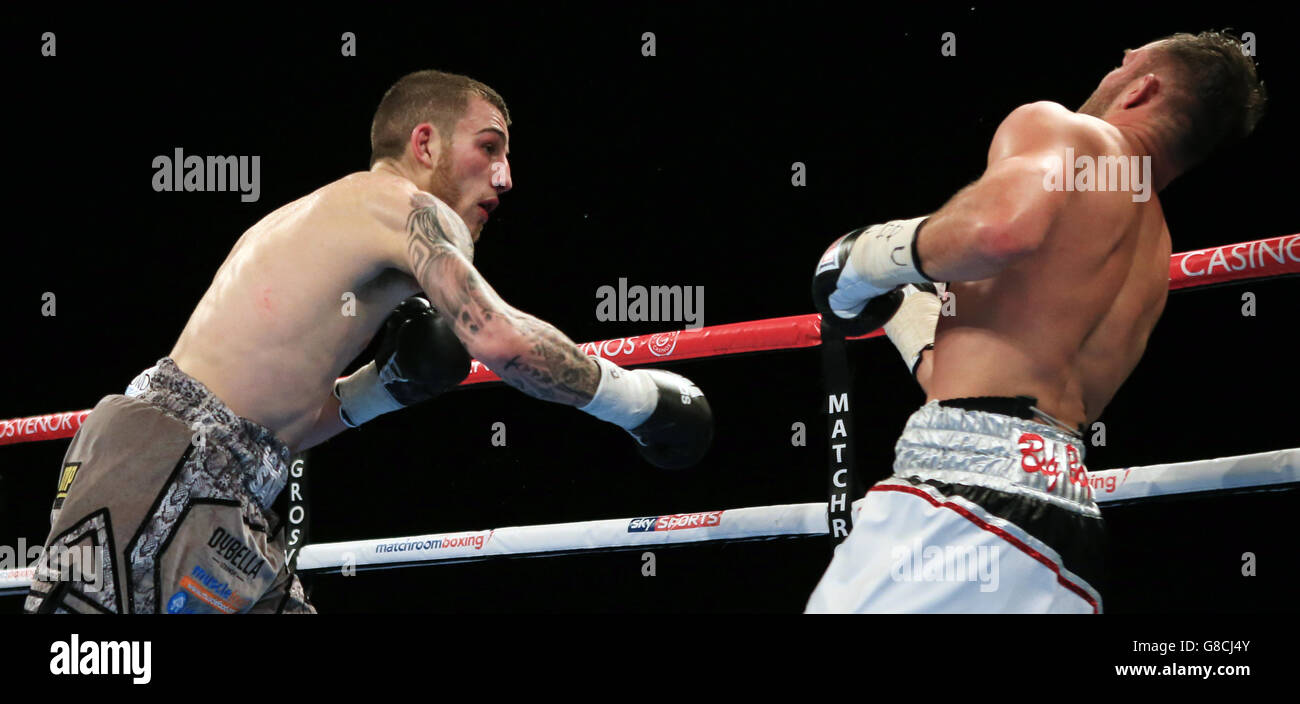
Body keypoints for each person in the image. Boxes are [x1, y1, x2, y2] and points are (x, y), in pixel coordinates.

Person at [26, 70, 712, 614]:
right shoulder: (404, 208)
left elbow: (276, 422)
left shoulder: (329, 220)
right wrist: (642, 400)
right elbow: (500, 340)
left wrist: (384, 387)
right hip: (165, 459)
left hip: (229, 482)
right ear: (425, 144)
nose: (505, 178)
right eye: (489, 146)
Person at [807, 32, 1265, 613]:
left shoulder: (1069, 132)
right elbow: (999, 395)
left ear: (1142, 86)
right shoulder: (1154, 254)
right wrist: (908, 314)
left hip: (961, 505)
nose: (1106, 76)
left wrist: (870, 254)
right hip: (1063, 529)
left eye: (1119, 65)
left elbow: (998, 229)